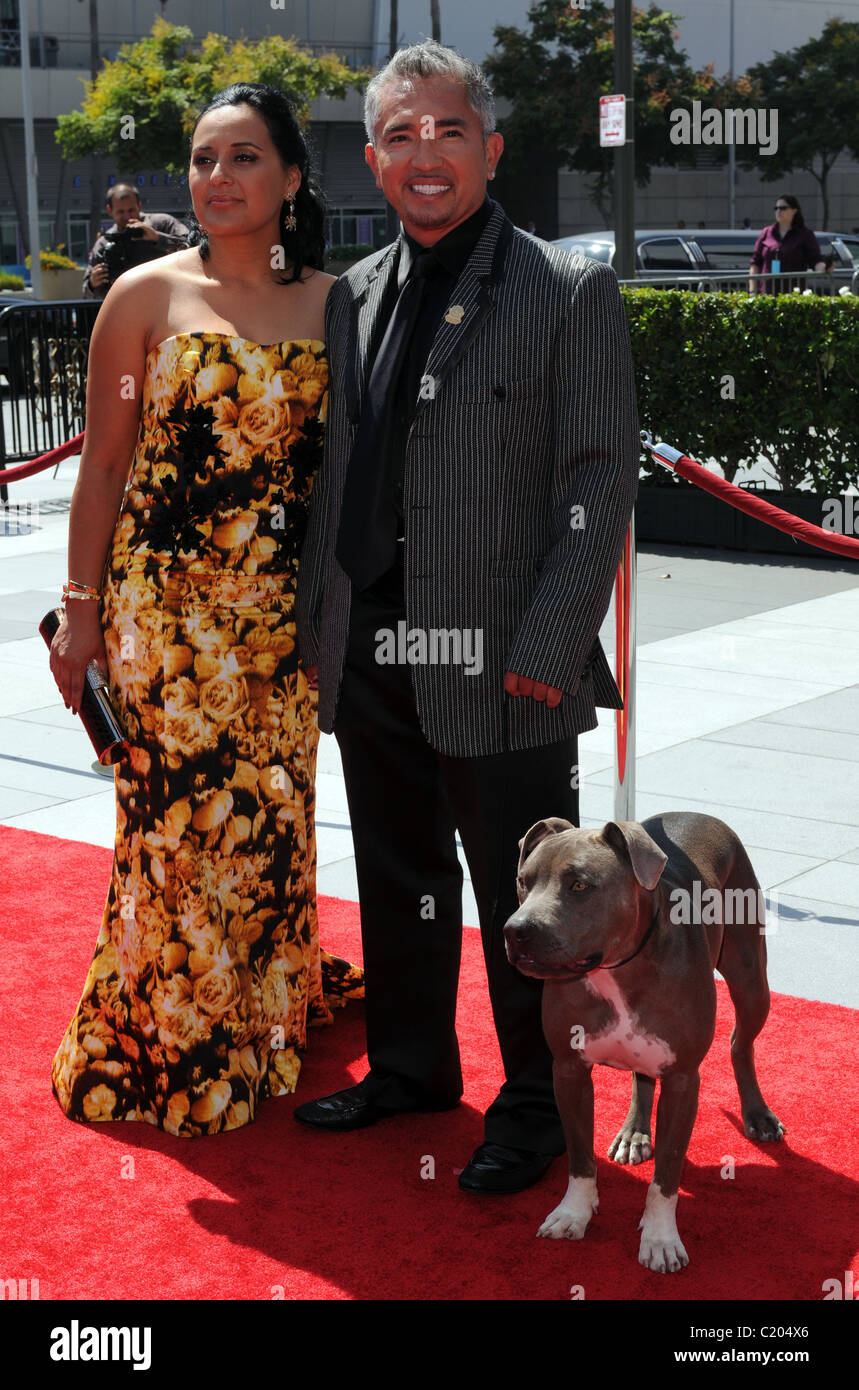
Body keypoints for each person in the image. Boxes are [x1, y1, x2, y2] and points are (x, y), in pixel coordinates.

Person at [295, 41, 639, 1194]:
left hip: (508, 662)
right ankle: (409, 1069)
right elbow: (345, 471)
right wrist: (325, 640)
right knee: (399, 877)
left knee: (530, 900)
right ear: (374, 161)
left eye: (447, 130)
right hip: (373, 645)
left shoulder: (566, 286)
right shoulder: (353, 294)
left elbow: (598, 479)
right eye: (398, 135)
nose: (423, 154)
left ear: (490, 147)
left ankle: (538, 1104)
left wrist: (549, 645)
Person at [50, 83, 362, 1138]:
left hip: (281, 621)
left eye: (241, 158)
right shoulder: (141, 296)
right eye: (200, 159)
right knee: (173, 830)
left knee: (270, 826)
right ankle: (170, 1026)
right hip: (162, 621)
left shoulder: (337, 305)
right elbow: (102, 467)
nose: (215, 179)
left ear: (291, 177)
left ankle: (263, 1012)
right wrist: (79, 613)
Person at [82, 184, 190, 298]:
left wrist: (157, 237)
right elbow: (86, 291)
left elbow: (192, 246)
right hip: (127, 306)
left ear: (139, 205)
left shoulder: (162, 223)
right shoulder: (104, 242)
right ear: (110, 210)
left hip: (169, 297)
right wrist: (92, 283)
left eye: (131, 210)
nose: (127, 216)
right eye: (120, 212)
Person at [749, 194, 829, 294]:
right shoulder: (766, 232)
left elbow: (816, 260)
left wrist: (826, 266)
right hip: (767, 293)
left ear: (794, 210)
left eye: (783, 208)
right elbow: (755, 263)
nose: (778, 211)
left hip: (792, 295)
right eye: (776, 208)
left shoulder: (805, 234)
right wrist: (752, 291)